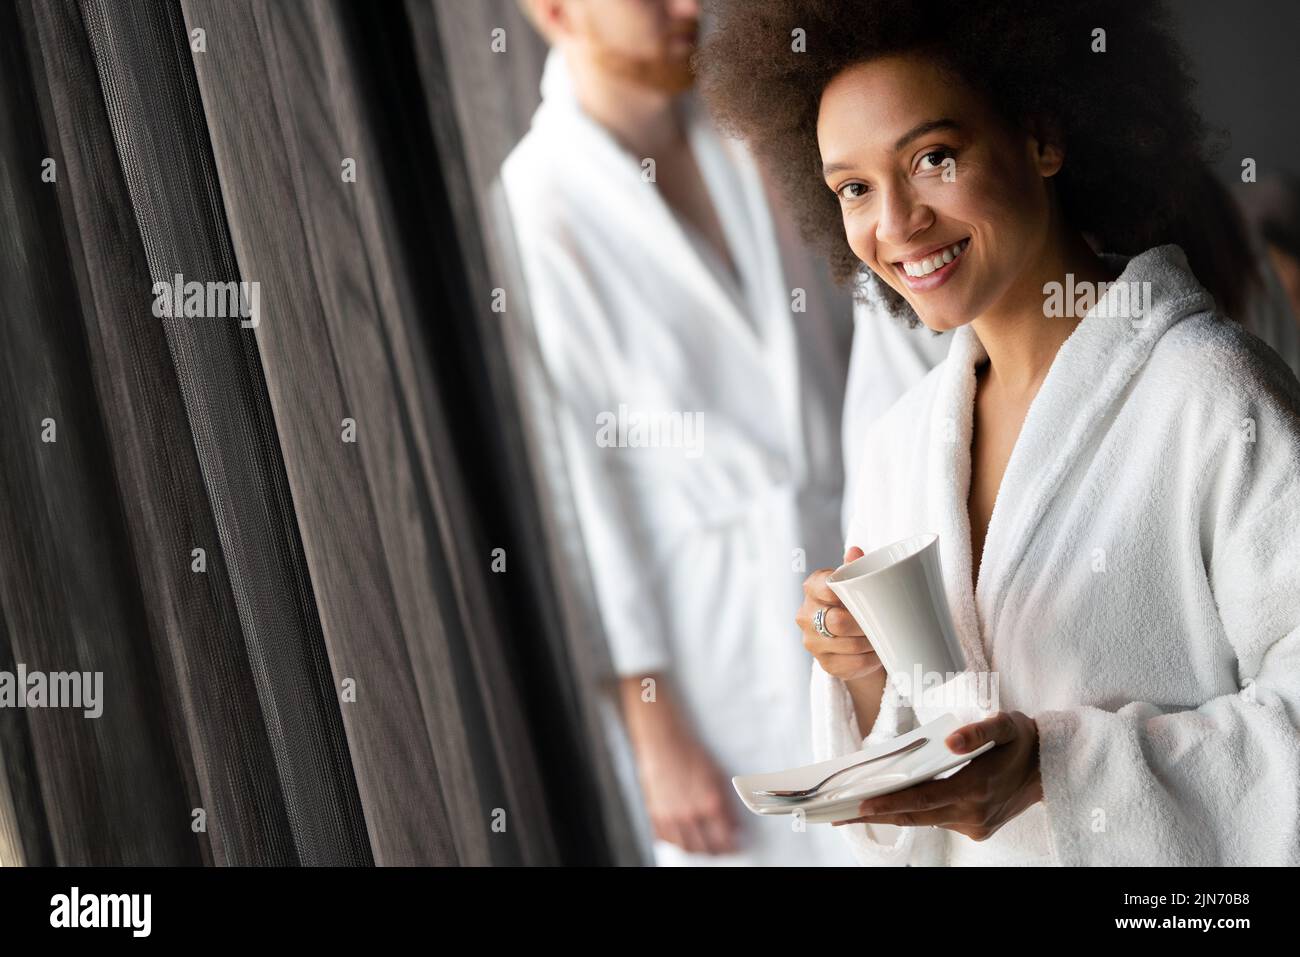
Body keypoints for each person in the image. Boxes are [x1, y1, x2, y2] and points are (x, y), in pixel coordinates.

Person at [698, 0, 1300, 866]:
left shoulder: (1210, 395)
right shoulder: (901, 447)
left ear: (1042, 135)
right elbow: (921, 765)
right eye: (854, 187)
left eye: (933, 158)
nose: (896, 223)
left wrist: (1058, 768)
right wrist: (864, 675)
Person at [501, 0, 862, 865]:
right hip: (709, 641)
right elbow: (578, 491)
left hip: (847, 559)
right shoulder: (535, 204)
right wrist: (652, 726)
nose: (690, 9)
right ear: (555, 11)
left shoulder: (751, 131)